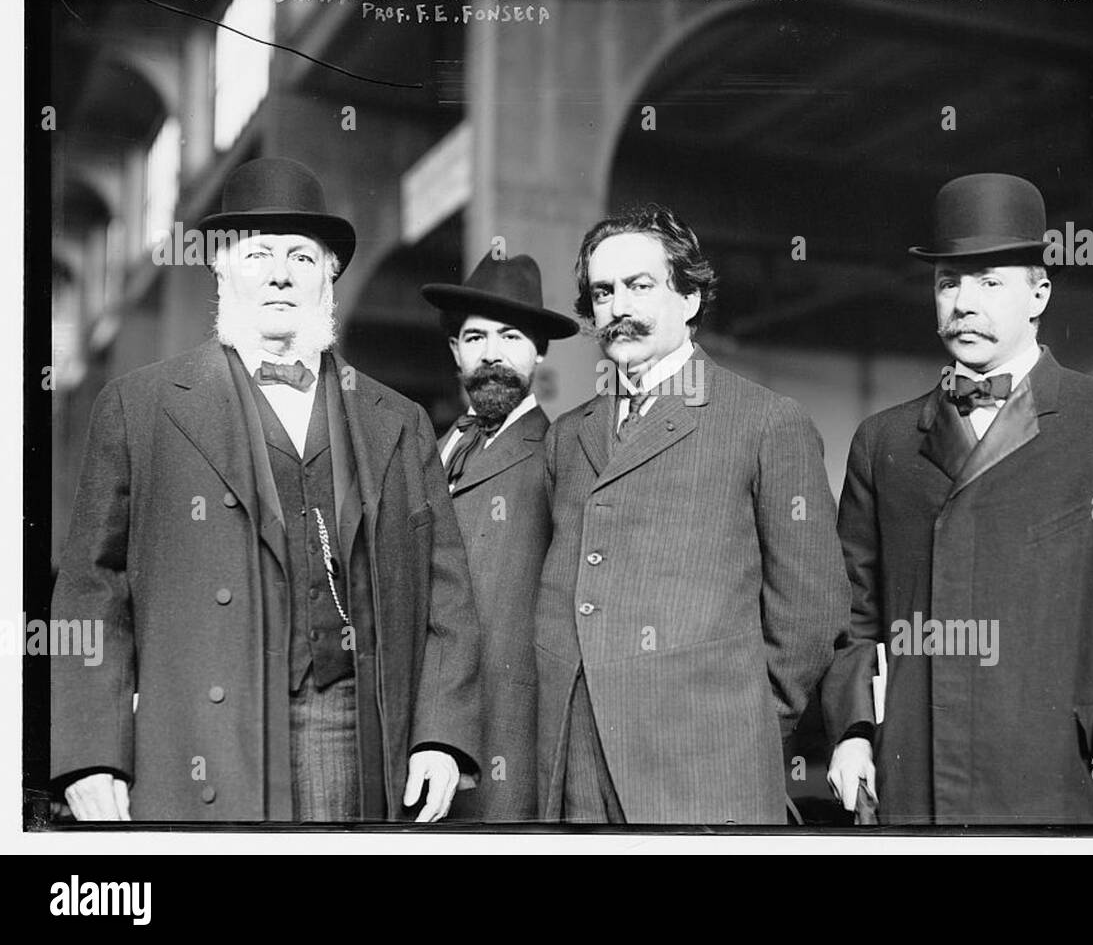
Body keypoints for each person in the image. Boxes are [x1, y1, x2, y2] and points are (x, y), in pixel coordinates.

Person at [51, 157, 481, 822]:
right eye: (257, 254)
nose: (280, 273)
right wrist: (94, 751)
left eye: (302, 258)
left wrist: (440, 735)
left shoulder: (399, 419)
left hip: (354, 733)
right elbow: (91, 589)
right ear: (221, 269)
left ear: (328, 279)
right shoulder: (140, 407)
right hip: (197, 738)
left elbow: (446, 591)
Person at [821, 172, 1093, 824]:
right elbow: (851, 613)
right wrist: (855, 728)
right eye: (949, 282)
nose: (964, 302)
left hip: (1057, 772)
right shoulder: (882, 440)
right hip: (914, 775)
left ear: (1040, 293)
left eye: (991, 281)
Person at [534, 204, 848, 824]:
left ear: (690, 297)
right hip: (576, 763)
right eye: (603, 292)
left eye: (640, 286)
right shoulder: (568, 436)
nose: (619, 307)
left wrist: (744, 719)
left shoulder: (764, 421)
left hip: (704, 765)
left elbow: (812, 609)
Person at [421, 251, 578, 821]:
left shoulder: (560, 458)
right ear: (455, 351)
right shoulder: (432, 450)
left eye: (511, 337)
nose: (492, 354)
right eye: (475, 337)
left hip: (503, 743)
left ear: (538, 353)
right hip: (423, 732)